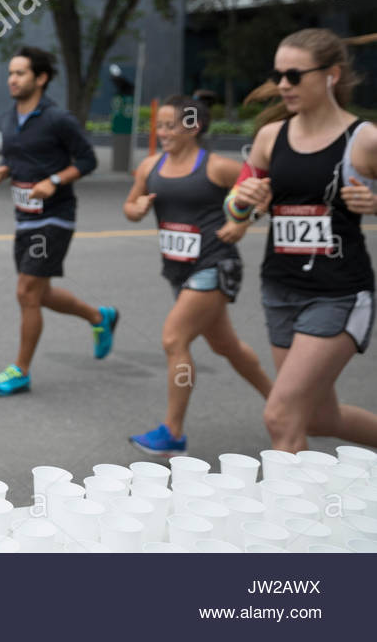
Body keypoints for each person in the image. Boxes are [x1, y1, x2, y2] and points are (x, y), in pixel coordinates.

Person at [229, 28, 377, 452]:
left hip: (338, 294)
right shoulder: (270, 138)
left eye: (294, 75)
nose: (282, 86)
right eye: (278, 75)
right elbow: (236, 210)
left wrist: (375, 202)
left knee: (281, 415)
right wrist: (244, 200)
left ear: (331, 75)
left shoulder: (363, 139)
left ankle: (288, 518)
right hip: (281, 290)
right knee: (318, 417)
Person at [121, 94, 272, 455]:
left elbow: (265, 192)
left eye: (171, 125)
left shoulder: (218, 167)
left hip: (215, 265)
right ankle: (282, 402)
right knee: (227, 346)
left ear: (194, 126)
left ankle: (173, 433)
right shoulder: (150, 167)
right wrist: (137, 208)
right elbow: (129, 206)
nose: (163, 132)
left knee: (174, 339)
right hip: (178, 271)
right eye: (160, 126)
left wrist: (243, 222)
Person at [0, 46, 118, 395]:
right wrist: (4, 169)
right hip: (24, 218)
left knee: (26, 291)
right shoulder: (7, 118)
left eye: (20, 73)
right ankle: (98, 317)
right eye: (11, 73)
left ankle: (20, 371)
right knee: (40, 294)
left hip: (55, 217)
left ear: (40, 78)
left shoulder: (59, 118)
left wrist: (55, 181)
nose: (12, 79)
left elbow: (88, 161)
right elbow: (18, 157)